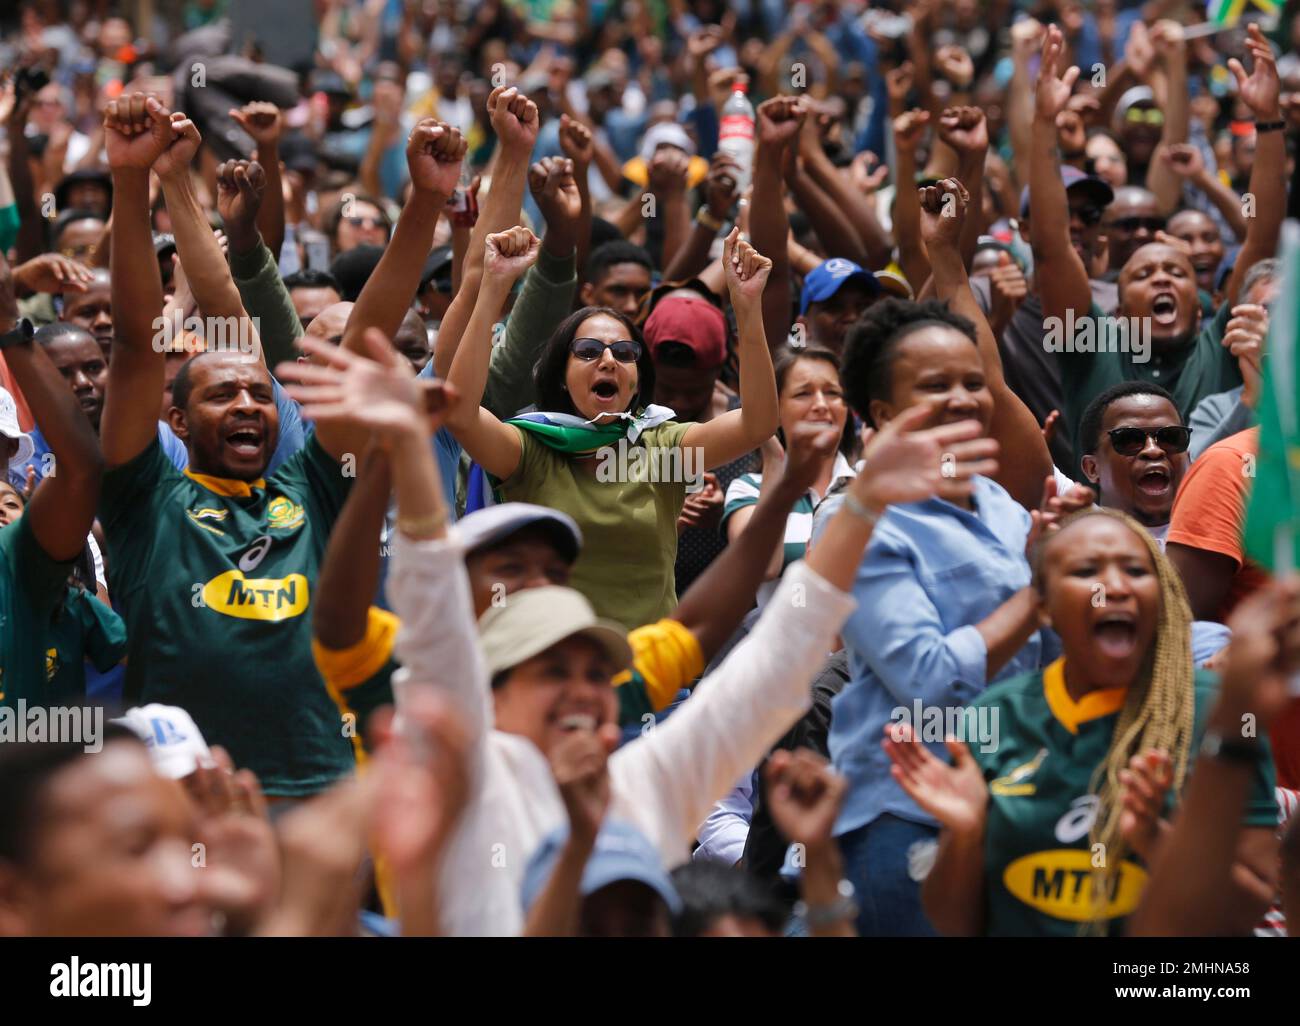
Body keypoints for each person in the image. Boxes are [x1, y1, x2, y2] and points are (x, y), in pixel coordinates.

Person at [284, 317, 994, 934]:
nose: (587, 691)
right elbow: (420, 595)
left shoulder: (640, 783)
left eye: (595, 670)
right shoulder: (458, 763)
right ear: (491, 689)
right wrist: (396, 456)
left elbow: (773, 655)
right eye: (551, 671)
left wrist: (859, 502)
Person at [887, 509, 1277, 936]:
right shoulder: (994, 715)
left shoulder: (1220, 713)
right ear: (1043, 607)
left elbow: (1250, 909)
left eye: (1135, 570)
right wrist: (965, 835)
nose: (1115, 587)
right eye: (1086, 571)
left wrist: (1156, 839)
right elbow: (955, 925)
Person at [443, 223, 781, 630]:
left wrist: (747, 306)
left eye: (624, 352)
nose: (608, 361)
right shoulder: (529, 448)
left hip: (650, 680)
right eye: (587, 351)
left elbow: (758, 423)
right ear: (560, 376)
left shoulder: (661, 445)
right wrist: (494, 288)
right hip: (550, 669)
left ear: (637, 377)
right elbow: (460, 411)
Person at [0, 252, 105, 709]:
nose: (82, 382)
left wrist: (50, 561)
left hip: (43, 754)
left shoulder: (63, 539)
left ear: (9, 452)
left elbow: (109, 643)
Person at [723, 346, 855, 607]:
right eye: (803, 394)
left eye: (832, 393)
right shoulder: (748, 489)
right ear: (776, 410)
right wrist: (775, 459)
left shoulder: (867, 483)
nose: (821, 405)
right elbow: (762, 568)